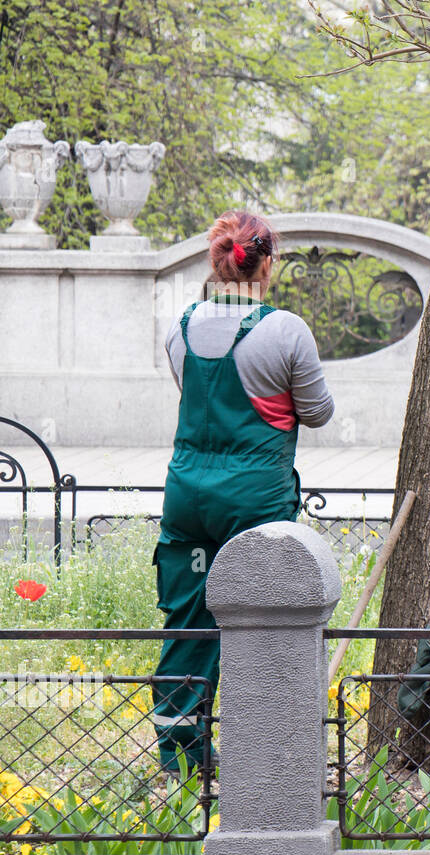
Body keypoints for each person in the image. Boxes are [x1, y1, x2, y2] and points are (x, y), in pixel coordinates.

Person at [152, 210, 334, 775]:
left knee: (188, 617)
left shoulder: (179, 326)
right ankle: (265, 755)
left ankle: (181, 755)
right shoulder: (285, 330)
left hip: (186, 497)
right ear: (267, 264)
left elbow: (190, 393)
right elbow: (319, 413)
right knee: (267, 618)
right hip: (256, 501)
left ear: (217, 261)